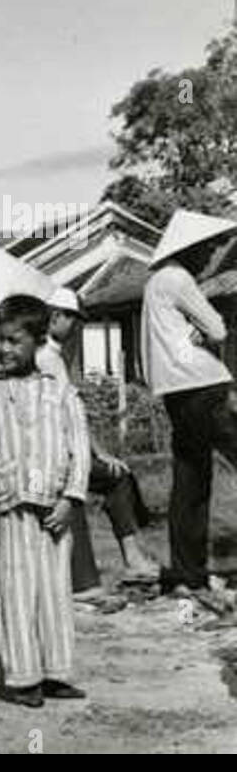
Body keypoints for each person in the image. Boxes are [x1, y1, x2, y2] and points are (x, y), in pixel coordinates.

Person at [0, 294, 90, 708]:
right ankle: (22, 677)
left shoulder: (60, 392)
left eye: (15, 340)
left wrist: (72, 497)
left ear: (37, 340)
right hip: (10, 506)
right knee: (16, 591)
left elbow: (79, 446)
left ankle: (57, 672)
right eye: (0, 340)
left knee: (54, 591)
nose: (4, 349)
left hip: (54, 508)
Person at [141, 209, 237, 594]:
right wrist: (201, 330)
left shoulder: (154, 283)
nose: (210, 257)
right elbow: (217, 327)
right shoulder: (180, 278)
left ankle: (188, 573)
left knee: (190, 479)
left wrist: (192, 331)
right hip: (204, 383)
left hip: (175, 391)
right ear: (193, 249)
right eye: (208, 250)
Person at [39, 287, 156, 589]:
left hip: (56, 447)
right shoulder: (47, 356)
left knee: (119, 474)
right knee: (118, 476)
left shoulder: (48, 353)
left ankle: (134, 553)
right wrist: (98, 452)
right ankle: (132, 557)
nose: (74, 327)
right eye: (72, 320)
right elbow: (72, 411)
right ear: (56, 316)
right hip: (57, 452)